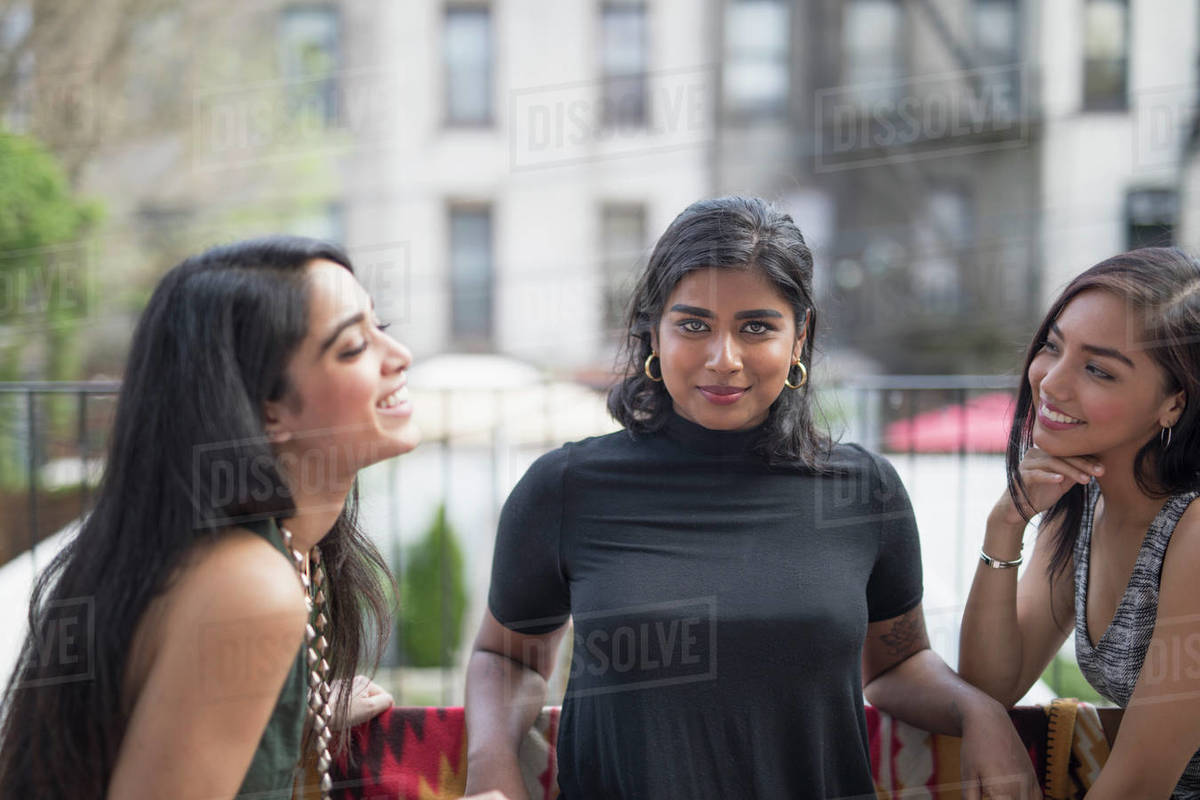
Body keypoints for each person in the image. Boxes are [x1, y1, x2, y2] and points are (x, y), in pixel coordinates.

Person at [464, 196, 1039, 800]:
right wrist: (491, 774)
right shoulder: (565, 488)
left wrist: (979, 712)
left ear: (800, 337)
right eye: (694, 325)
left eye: (756, 327)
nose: (724, 359)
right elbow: (509, 659)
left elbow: (896, 666)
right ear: (652, 330)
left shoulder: (862, 492)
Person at [0, 237, 413, 799]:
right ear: (266, 409)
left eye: (380, 325)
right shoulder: (247, 582)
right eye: (352, 346)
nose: (399, 355)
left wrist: (292, 717)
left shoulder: (263, 553)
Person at [959, 247, 1200, 799]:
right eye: (1053, 346)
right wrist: (1006, 524)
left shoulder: (1193, 529)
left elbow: (1139, 782)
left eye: (1098, 369)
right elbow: (991, 688)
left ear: (1173, 404)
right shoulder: (1085, 502)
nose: (1051, 383)